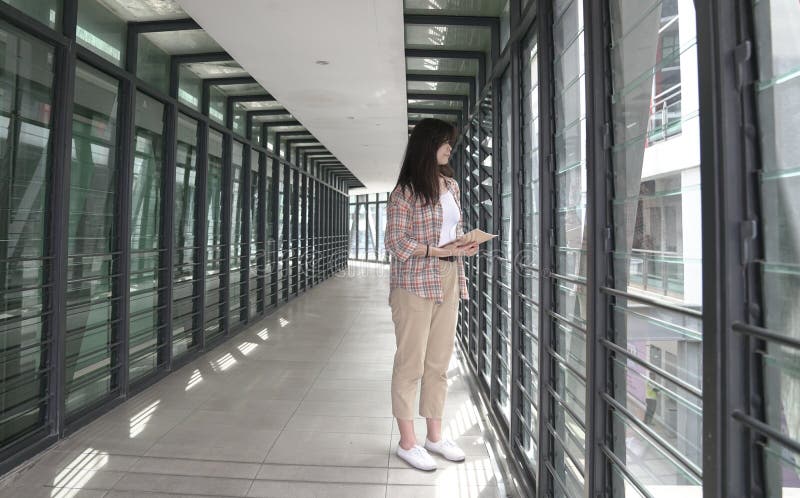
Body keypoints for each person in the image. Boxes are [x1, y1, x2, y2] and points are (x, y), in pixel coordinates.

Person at [384, 118, 479, 471]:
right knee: (411, 364)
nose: (449, 148)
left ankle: (434, 437)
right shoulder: (405, 192)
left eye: (450, 143)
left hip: (450, 277)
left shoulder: (451, 186)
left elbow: (452, 230)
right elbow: (396, 242)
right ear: (427, 145)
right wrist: (436, 251)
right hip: (414, 283)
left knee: (439, 363)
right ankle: (407, 443)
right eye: (444, 142)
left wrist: (465, 244)